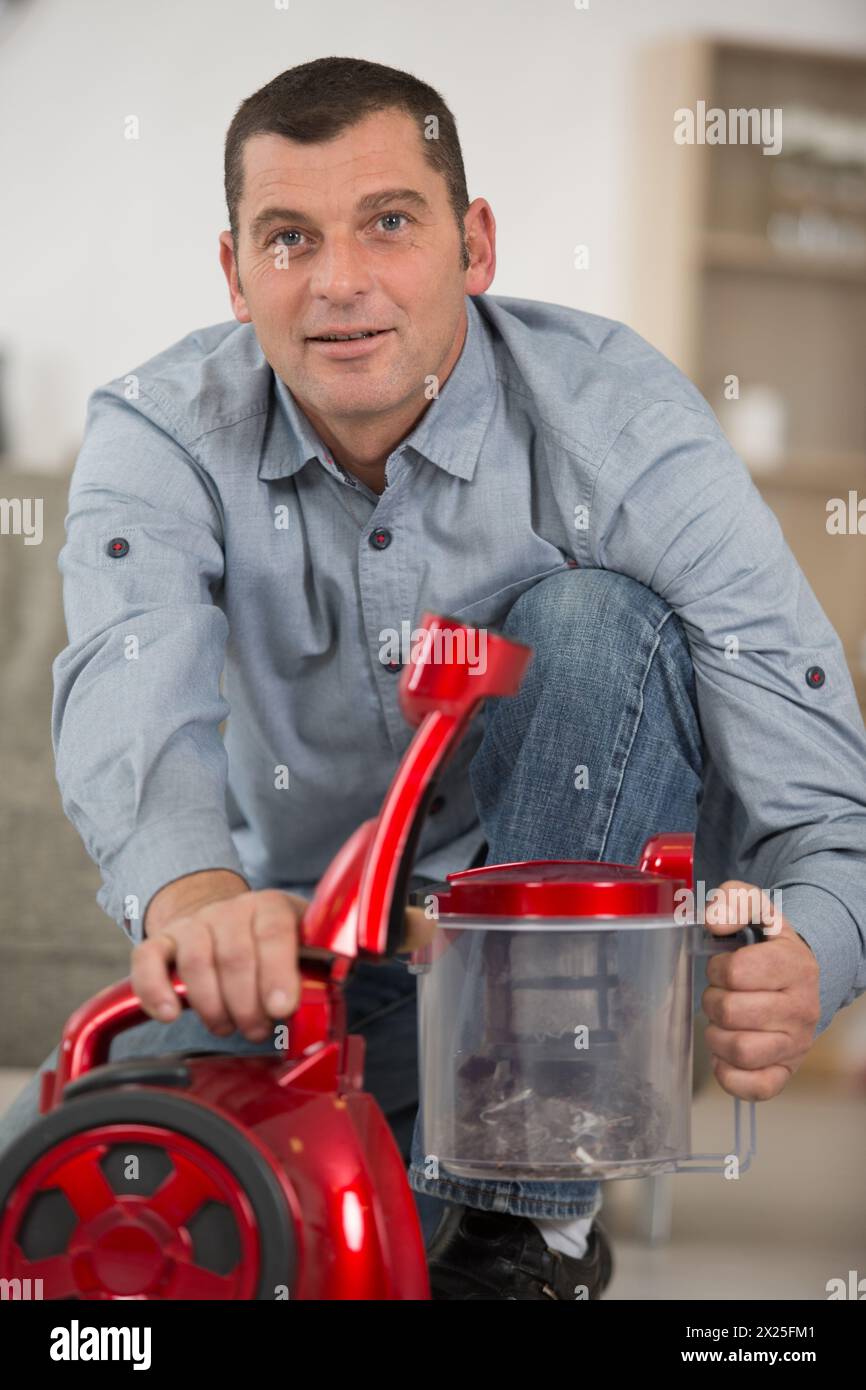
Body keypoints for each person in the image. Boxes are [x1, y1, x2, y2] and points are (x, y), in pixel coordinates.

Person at [2, 55, 864, 1301]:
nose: (340, 282)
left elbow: (828, 811)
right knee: (66, 1220)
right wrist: (195, 905)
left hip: (560, 986)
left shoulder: (621, 429)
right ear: (235, 275)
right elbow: (133, 695)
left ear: (474, 246)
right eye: (289, 237)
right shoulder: (156, 435)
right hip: (296, 955)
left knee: (585, 617)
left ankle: (524, 1232)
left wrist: (814, 951)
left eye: (389, 224)